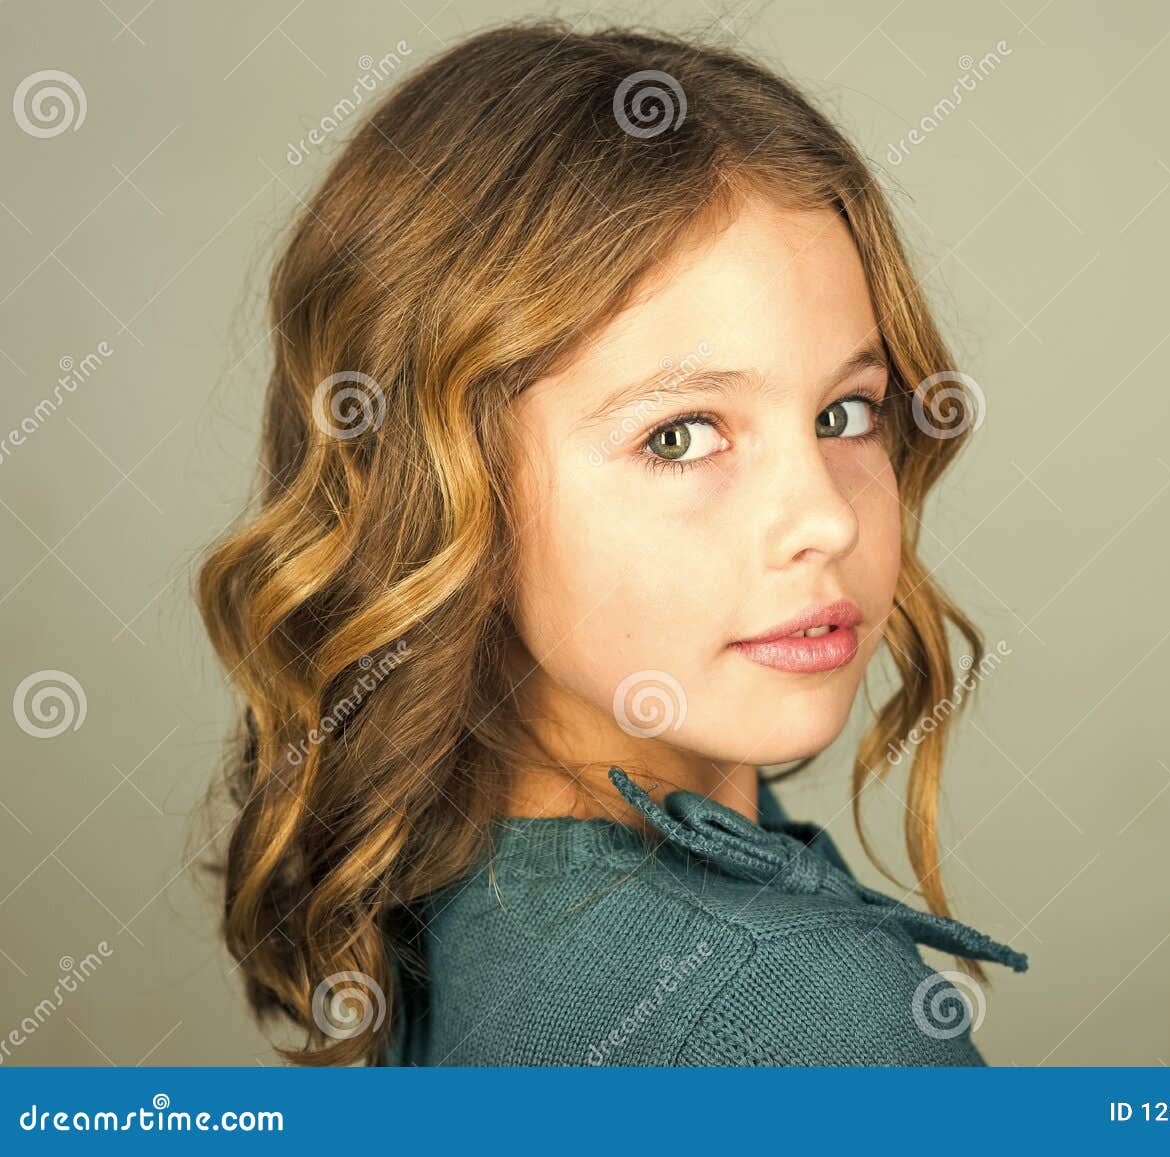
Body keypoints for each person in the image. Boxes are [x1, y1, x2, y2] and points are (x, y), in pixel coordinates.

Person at [195, 19, 1026, 1067]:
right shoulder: (804, 1011)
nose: (826, 517)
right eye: (679, 436)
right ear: (449, 491)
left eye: (845, 412)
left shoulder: (440, 880)